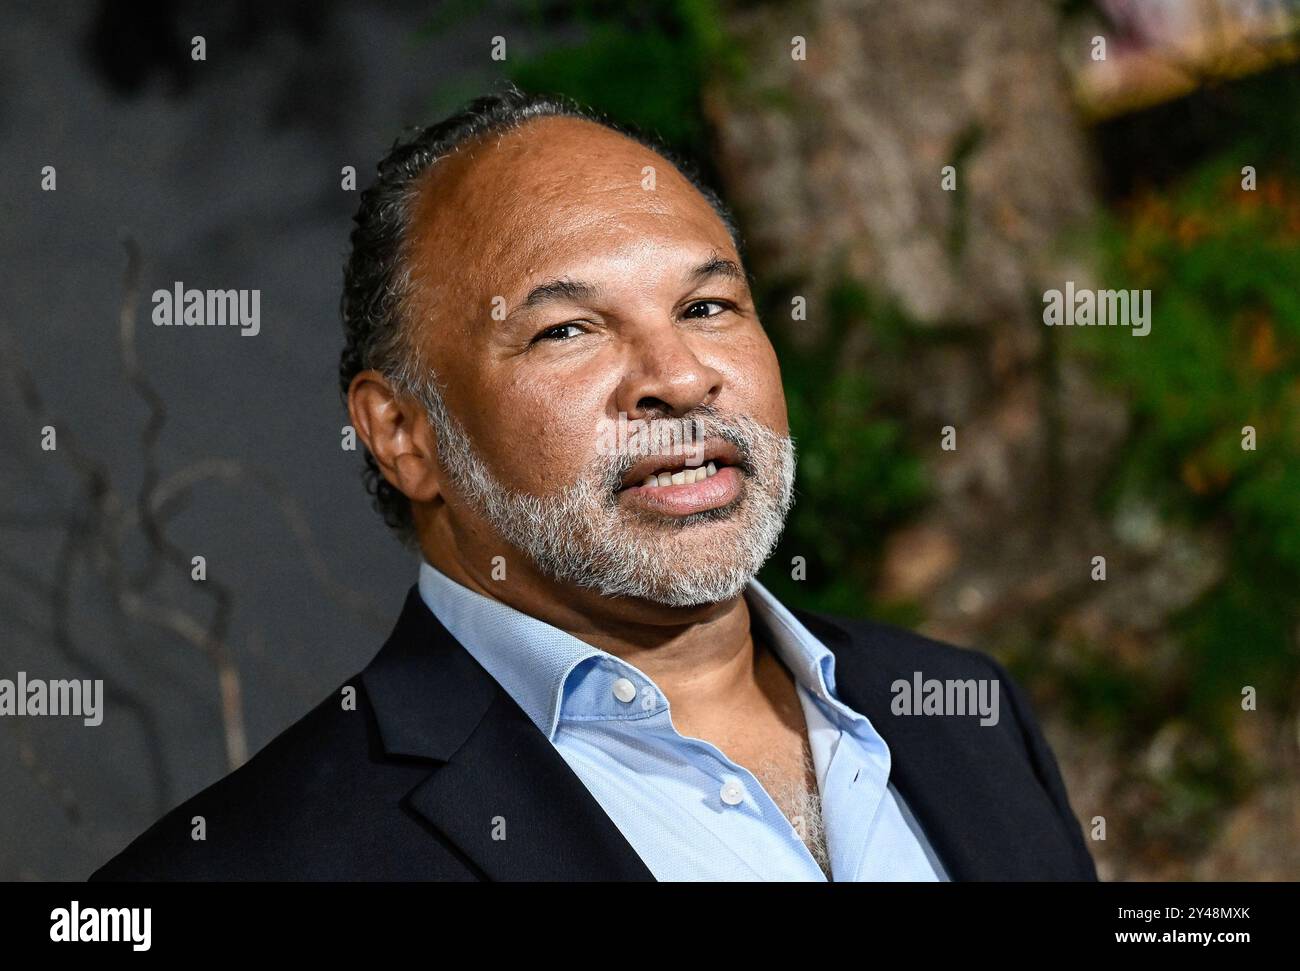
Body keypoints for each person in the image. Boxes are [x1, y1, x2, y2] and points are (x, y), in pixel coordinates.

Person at [90, 86, 1098, 882]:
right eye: (567, 328)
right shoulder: (255, 864)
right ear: (403, 433)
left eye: (707, 305)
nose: (678, 376)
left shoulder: (960, 711)